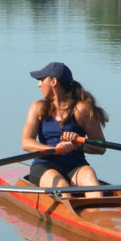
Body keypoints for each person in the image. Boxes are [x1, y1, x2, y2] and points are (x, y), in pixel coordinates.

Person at [21, 62, 108, 196]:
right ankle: (68, 210)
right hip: (45, 165)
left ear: (54, 81)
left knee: (90, 176)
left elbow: (101, 147)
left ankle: (98, 213)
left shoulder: (82, 110)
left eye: (42, 80)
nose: (39, 85)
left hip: (75, 166)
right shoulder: (38, 108)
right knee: (61, 186)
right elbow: (26, 143)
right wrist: (55, 150)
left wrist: (78, 145)